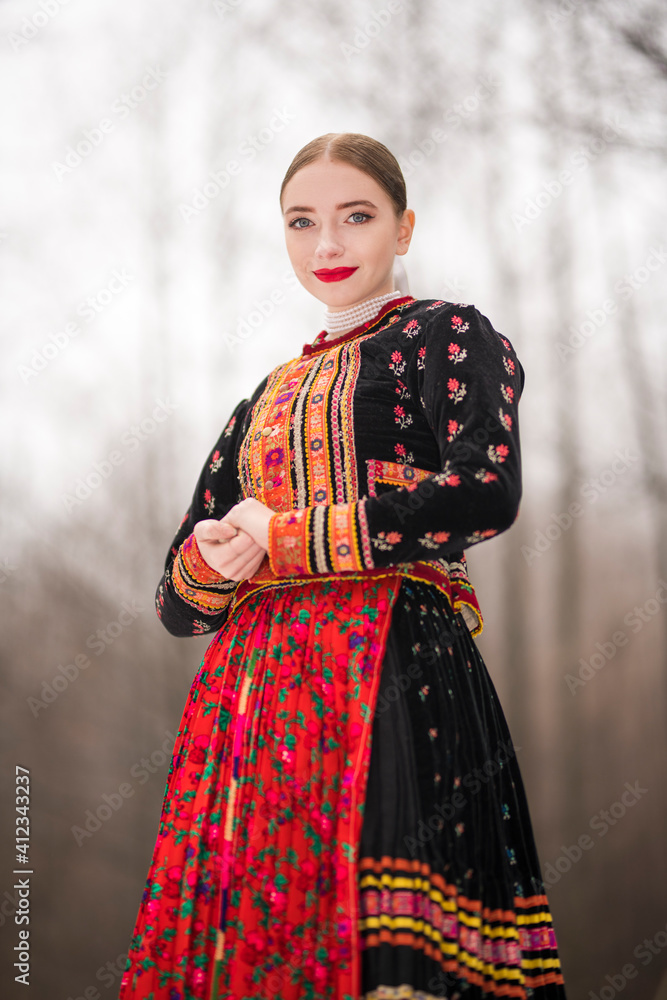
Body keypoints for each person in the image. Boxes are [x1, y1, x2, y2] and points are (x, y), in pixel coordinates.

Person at [119, 132, 568, 1000]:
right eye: (301, 223)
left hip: (393, 677)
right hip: (250, 710)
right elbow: (178, 603)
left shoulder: (446, 336)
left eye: (354, 217)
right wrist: (218, 559)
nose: (326, 246)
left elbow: (482, 490)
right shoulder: (261, 397)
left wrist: (288, 540)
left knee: (385, 959)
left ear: (402, 229)